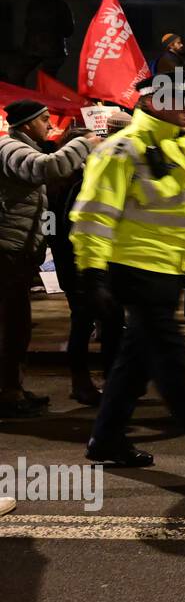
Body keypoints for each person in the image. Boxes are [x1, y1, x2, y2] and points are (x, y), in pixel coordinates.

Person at [70, 79, 185, 483]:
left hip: (168, 274)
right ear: (151, 102)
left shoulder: (182, 150)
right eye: (179, 101)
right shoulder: (121, 150)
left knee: (133, 364)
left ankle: (106, 440)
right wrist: (92, 273)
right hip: (135, 272)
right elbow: (93, 215)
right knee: (171, 365)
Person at [0, 100, 98, 416]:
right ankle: (8, 393)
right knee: (10, 326)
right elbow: (46, 168)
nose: (50, 125)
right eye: (44, 120)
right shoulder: (11, 148)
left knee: (17, 325)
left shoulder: (22, 146)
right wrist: (84, 143)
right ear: (26, 123)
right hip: (7, 252)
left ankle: (12, 387)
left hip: (19, 253)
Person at [48, 112, 131, 405]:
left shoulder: (70, 179)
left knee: (102, 320)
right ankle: (85, 382)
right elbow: (76, 227)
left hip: (84, 264)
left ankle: (106, 381)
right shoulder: (77, 182)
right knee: (90, 321)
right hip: (82, 265)